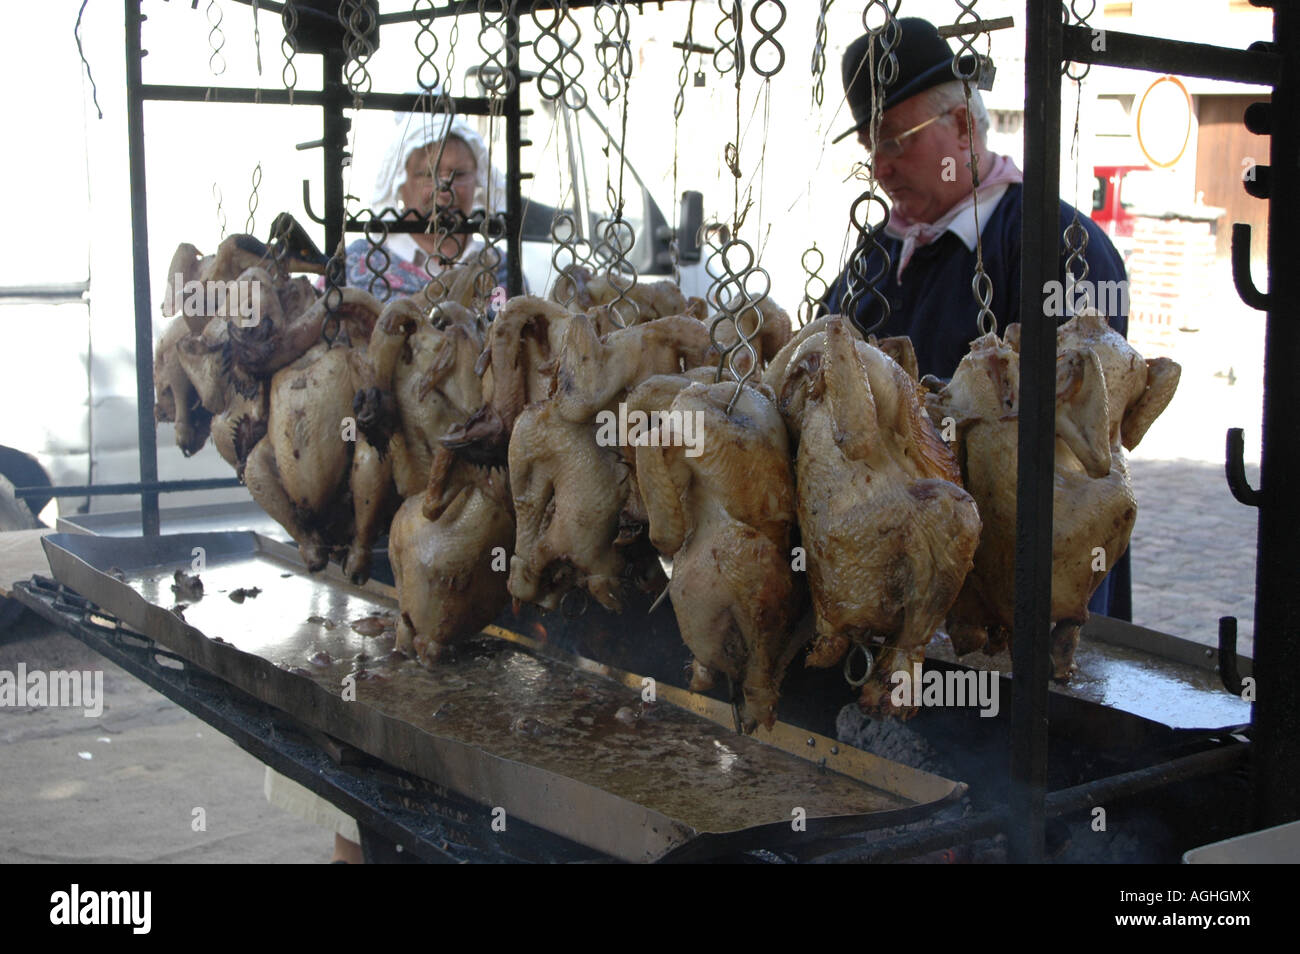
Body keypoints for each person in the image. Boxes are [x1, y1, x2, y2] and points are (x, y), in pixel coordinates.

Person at [822, 18, 1130, 621]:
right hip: (908, 588)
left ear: (961, 123)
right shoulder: (876, 256)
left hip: (1033, 596)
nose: (879, 169)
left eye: (893, 141)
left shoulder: (1061, 247)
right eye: (869, 148)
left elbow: (1086, 428)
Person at [342, 110, 511, 301]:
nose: (445, 190)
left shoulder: (501, 267)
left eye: (460, 174)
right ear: (401, 182)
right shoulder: (357, 265)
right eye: (428, 175)